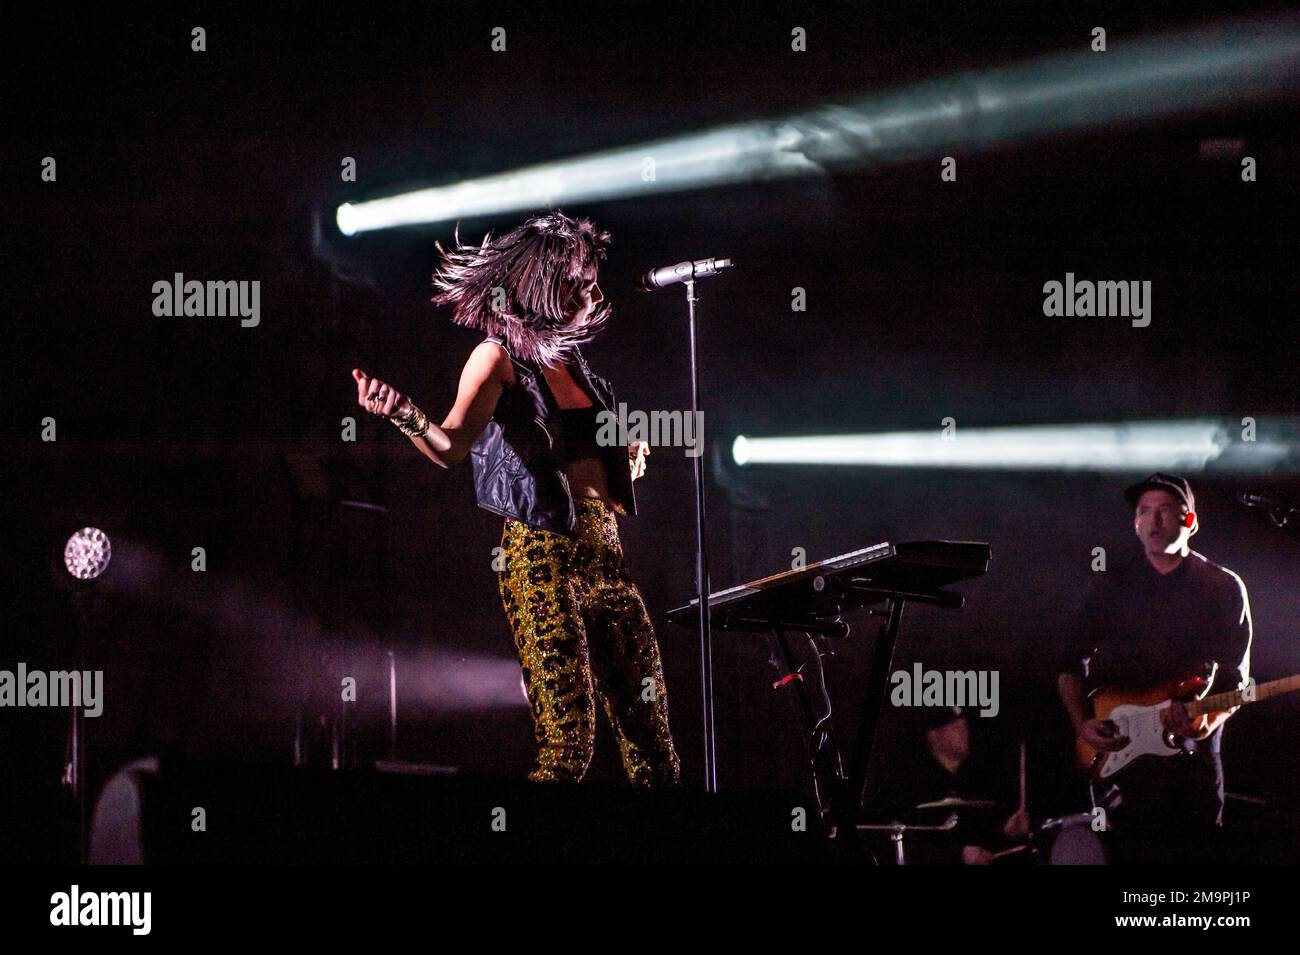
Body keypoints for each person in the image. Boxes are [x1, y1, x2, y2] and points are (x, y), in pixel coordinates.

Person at [349, 210, 681, 785]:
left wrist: (624, 454)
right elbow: (451, 445)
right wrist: (402, 414)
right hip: (541, 555)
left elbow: (582, 449)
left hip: (607, 552)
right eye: (583, 280)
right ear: (547, 285)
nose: (596, 291)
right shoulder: (496, 356)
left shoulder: (575, 363)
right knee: (569, 744)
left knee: (654, 745)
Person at [1057, 473, 1253, 864]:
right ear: (1135, 524)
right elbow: (1068, 663)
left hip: (1189, 764)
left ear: (1190, 522)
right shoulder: (1109, 585)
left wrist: (1205, 721)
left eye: (1165, 511)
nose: (1153, 521)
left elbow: (1238, 682)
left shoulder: (1221, 586)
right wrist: (1082, 722)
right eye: (1144, 512)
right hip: (1120, 761)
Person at [875, 707, 1030, 865]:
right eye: (956, 727)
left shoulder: (970, 784)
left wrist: (1007, 832)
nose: (965, 730)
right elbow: (907, 847)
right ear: (934, 736)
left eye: (965, 725)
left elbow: (979, 842)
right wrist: (958, 855)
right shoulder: (912, 788)